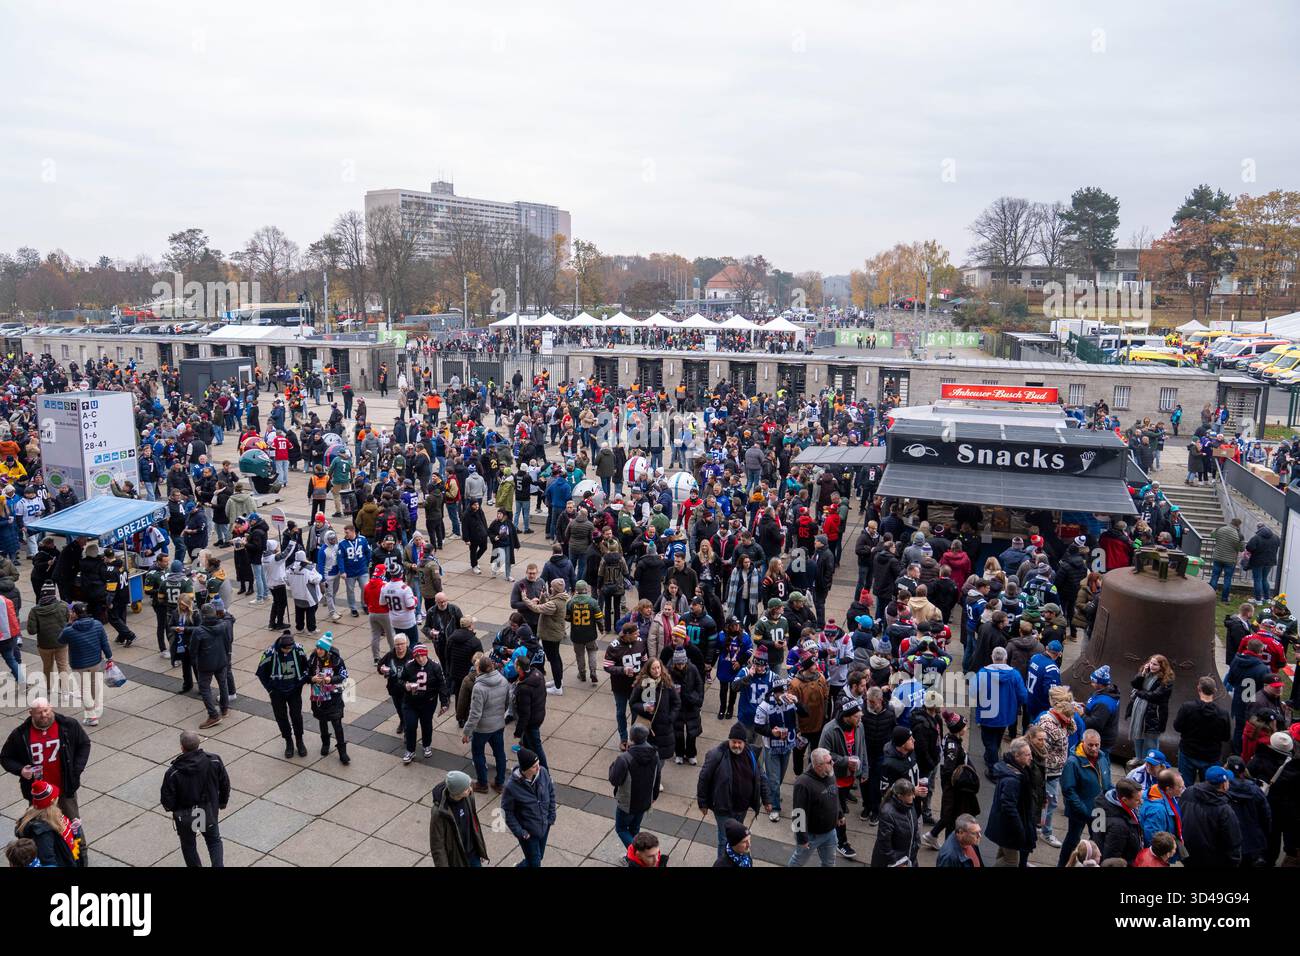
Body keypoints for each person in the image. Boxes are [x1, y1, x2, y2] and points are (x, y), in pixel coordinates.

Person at [1, 697, 91, 820]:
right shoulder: (20, 734)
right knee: (42, 830)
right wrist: (21, 770)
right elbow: (6, 757)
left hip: (64, 788)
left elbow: (84, 744)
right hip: (39, 794)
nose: (44, 715)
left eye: (46, 711)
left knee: (72, 827)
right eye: (39, 712)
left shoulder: (68, 725)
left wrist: (76, 770)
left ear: (51, 708)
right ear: (31, 713)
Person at [697, 721, 768, 861]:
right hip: (723, 807)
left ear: (744, 743)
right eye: (733, 742)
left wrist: (767, 800)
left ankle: (734, 862)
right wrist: (702, 803)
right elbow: (703, 779)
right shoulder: (716, 754)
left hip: (741, 808)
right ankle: (723, 864)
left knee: (737, 838)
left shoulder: (751, 754)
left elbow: (761, 777)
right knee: (724, 840)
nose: (736, 745)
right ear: (729, 740)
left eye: (739, 742)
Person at [159, 730, 230, 868]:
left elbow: (167, 799)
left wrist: (173, 809)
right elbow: (225, 783)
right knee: (213, 841)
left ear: (182, 747)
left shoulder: (174, 772)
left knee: (188, 845)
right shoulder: (214, 760)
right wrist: (222, 802)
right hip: (207, 810)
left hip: (186, 814)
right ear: (199, 744)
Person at [818, 699, 869, 859]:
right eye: (857, 717)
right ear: (847, 717)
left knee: (837, 810)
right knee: (839, 812)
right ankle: (842, 842)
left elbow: (863, 749)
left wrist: (864, 770)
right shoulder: (830, 730)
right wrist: (846, 761)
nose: (860, 719)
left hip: (850, 778)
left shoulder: (859, 726)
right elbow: (822, 755)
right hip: (833, 779)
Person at [1058, 729, 1110, 867]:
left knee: (1098, 842)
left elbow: (1107, 783)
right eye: (1090, 745)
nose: (1094, 748)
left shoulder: (1103, 758)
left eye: (1097, 745)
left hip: (1099, 811)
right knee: (1072, 841)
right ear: (1083, 743)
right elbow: (1068, 790)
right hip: (1079, 811)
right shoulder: (1073, 762)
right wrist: (1082, 809)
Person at [57, 601, 113, 727]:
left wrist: (69, 623)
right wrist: (110, 657)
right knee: (95, 685)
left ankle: (91, 716)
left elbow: (60, 640)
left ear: (75, 614)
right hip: (96, 662)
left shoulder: (70, 630)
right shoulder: (98, 625)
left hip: (79, 665)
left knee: (85, 689)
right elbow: (105, 643)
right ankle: (97, 709)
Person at [256, 630, 311, 758]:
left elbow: (306, 667)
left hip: (294, 690)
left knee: (296, 716)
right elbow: (261, 673)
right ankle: (288, 741)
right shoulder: (269, 653)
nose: (288, 651)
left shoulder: (298, 650)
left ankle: (299, 740)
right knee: (281, 717)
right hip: (277, 692)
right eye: (286, 649)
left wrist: (301, 682)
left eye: (290, 648)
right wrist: (270, 689)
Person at [975, 646, 1027, 778]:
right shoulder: (1014, 674)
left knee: (988, 741)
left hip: (987, 713)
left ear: (992, 657)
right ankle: (990, 756)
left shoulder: (982, 673)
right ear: (1005, 659)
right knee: (997, 737)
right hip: (1005, 714)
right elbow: (1023, 695)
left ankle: (993, 769)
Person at [500, 747, 556, 867]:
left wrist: (551, 816)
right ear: (525, 769)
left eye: (538, 764)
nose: (539, 767)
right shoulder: (511, 787)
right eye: (534, 766)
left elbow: (551, 792)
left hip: (544, 825)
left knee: (538, 856)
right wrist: (521, 832)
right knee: (535, 863)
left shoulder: (543, 772)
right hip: (528, 833)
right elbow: (506, 812)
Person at [1178, 765, 1243, 867]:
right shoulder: (1224, 809)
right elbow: (1233, 842)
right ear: (1224, 785)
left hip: (1187, 855)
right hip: (1212, 861)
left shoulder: (1189, 792)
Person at [986, 736, 1036, 867]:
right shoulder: (1012, 780)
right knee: (1011, 861)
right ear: (1016, 756)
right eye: (1027, 755)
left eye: (1030, 754)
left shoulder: (1017, 770)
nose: (1031, 757)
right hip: (1009, 827)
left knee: (1003, 853)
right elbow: (1008, 806)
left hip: (1004, 825)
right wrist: (1019, 828)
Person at [462, 656, 509, 793]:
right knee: (500, 754)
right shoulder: (503, 680)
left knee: (478, 754)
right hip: (498, 725)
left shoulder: (479, 687)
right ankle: (499, 783)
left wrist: (467, 732)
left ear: (479, 669)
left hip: (482, 729)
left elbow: (475, 714)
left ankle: (482, 784)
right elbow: (506, 703)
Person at [608, 724, 661, 847]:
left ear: (631, 738)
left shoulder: (624, 758)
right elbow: (657, 776)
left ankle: (638, 855)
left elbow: (614, 780)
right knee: (634, 829)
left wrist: (612, 766)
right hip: (645, 800)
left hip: (627, 803)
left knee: (621, 829)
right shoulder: (655, 754)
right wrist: (654, 796)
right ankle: (632, 857)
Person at [788, 746, 841, 867]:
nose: (832, 763)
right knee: (797, 862)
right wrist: (802, 838)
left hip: (830, 832)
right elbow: (798, 813)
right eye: (829, 762)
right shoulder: (803, 783)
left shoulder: (830, 773)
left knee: (829, 863)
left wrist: (840, 814)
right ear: (818, 766)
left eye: (831, 760)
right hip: (812, 836)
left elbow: (834, 795)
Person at [1172, 676, 1231, 784]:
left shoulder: (1187, 708)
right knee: (1210, 787)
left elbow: (1177, 727)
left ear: (1198, 689)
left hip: (1188, 752)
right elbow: (1226, 736)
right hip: (1211, 755)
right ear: (1214, 690)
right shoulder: (1223, 713)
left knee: (1184, 786)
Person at [13, 781, 85, 867]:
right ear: (52, 801)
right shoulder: (43, 833)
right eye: (56, 796)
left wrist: (74, 831)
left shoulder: (53, 814)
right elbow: (48, 861)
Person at [428, 770, 489, 867]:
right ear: (457, 793)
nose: (470, 789)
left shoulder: (468, 796)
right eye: (466, 788)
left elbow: (473, 824)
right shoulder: (439, 812)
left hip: (473, 853)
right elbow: (437, 845)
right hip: (457, 859)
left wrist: (480, 848)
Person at [400, 643, 449, 764]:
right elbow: (400, 680)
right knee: (410, 726)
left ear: (426, 655)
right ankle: (410, 750)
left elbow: (442, 685)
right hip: (411, 702)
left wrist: (444, 703)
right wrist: (405, 685)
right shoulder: (409, 666)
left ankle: (426, 745)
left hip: (428, 702)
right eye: (417, 657)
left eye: (422, 656)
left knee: (426, 724)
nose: (420, 659)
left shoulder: (435, 667)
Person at [306, 633, 350, 765]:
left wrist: (331, 679)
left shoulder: (336, 660)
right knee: (322, 720)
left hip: (333, 697)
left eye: (321, 649)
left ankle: (342, 750)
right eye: (317, 648)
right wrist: (312, 679)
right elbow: (305, 675)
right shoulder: (313, 659)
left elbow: (344, 675)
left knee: (337, 723)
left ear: (326, 650)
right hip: (318, 696)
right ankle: (325, 743)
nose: (318, 650)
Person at [1127, 654, 1174, 760]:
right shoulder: (1146, 673)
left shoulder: (1166, 681)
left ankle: (1150, 762)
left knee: (1150, 741)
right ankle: (1139, 758)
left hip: (1154, 715)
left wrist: (1139, 693)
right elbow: (1135, 685)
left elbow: (1155, 696)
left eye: (1155, 665)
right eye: (1151, 663)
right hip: (1140, 712)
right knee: (1138, 737)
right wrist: (1142, 674)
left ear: (1162, 667)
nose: (1152, 666)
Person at [872, 778, 921, 868]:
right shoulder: (887, 813)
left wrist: (916, 845)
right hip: (895, 861)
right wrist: (896, 862)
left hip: (909, 857)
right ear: (900, 796)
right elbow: (884, 842)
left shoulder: (909, 804)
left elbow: (914, 827)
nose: (913, 797)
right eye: (910, 795)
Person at [1095, 777, 1144, 865]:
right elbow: (1112, 859)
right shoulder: (1118, 827)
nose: (1141, 802)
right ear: (1124, 800)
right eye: (1137, 800)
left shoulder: (1103, 804)